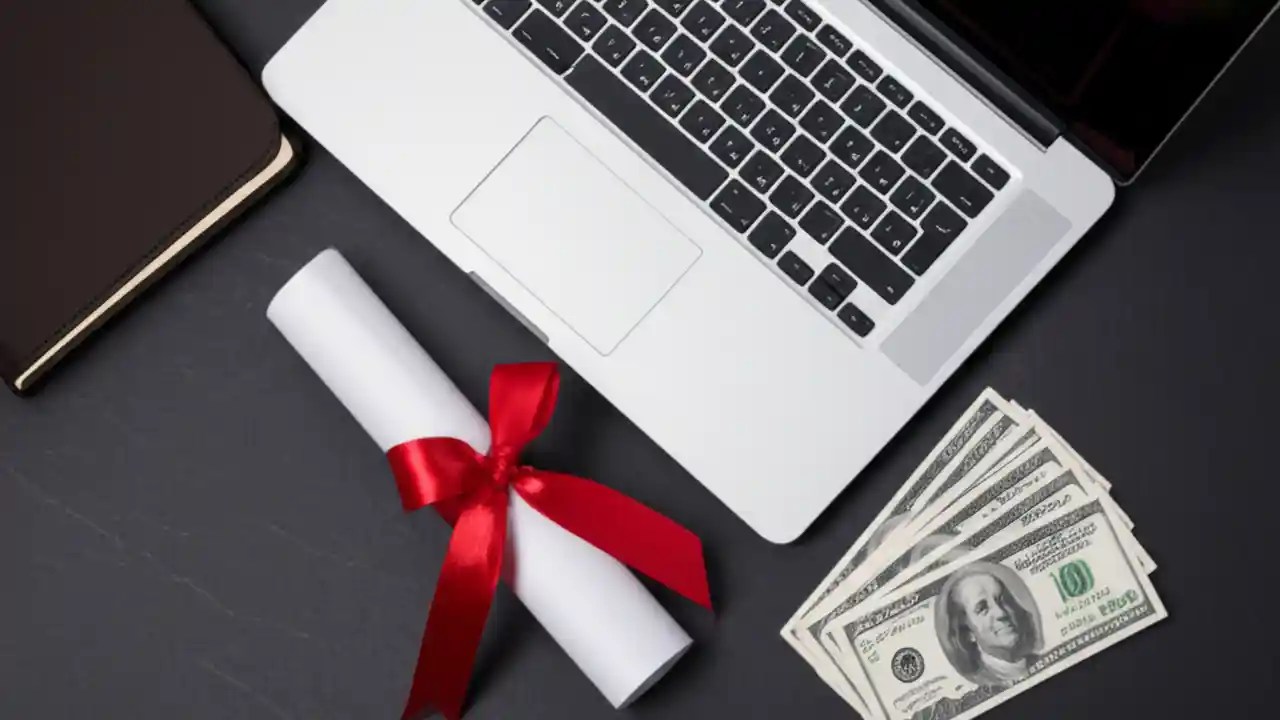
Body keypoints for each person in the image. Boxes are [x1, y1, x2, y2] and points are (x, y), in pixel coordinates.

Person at [936, 562, 1042, 687]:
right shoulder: (983, 681)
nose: (1001, 613)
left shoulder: (1037, 661)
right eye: (982, 609)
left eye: (1002, 600)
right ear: (968, 633)